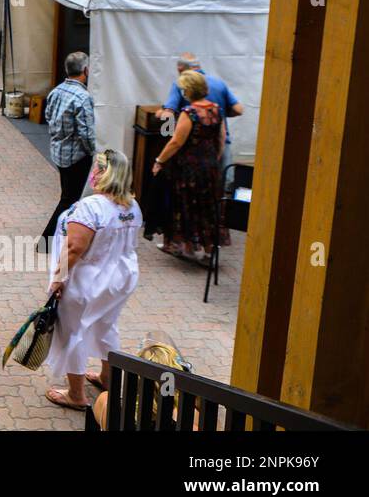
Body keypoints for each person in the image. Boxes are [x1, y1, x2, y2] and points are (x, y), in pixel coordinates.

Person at [44, 149, 143, 411]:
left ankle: (76, 395)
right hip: (120, 278)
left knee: (73, 331)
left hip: (89, 279)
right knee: (106, 324)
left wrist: (58, 279)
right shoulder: (132, 206)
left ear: (102, 173)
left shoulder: (91, 207)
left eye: (95, 169)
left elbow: (74, 248)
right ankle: (107, 378)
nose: (92, 174)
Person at [152, 70, 227, 263]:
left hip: (189, 169)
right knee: (207, 208)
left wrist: (159, 161)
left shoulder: (190, 113)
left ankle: (185, 247)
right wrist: (213, 159)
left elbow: (176, 142)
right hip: (210, 167)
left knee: (186, 207)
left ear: (189, 90)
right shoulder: (216, 109)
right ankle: (210, 252)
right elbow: (221, 138)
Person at [156, 52, 243, 184]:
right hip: (219, 147)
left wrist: (166, 132)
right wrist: (218, 115)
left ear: (180, 69)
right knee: (225, 187)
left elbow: (168, 113)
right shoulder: (219, 85)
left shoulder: (180, 86)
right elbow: (238, 110)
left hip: (193, 154)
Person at [41, 52, 96, 247]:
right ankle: (47, 241)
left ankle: (65, 234)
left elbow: (48, 115)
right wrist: (93, 152)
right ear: (86, 70)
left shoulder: (56, 91)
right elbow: (87, 132)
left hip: (58, 151)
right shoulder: (83, 97)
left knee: (68, 195)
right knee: (69, 198)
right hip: (76, 156)